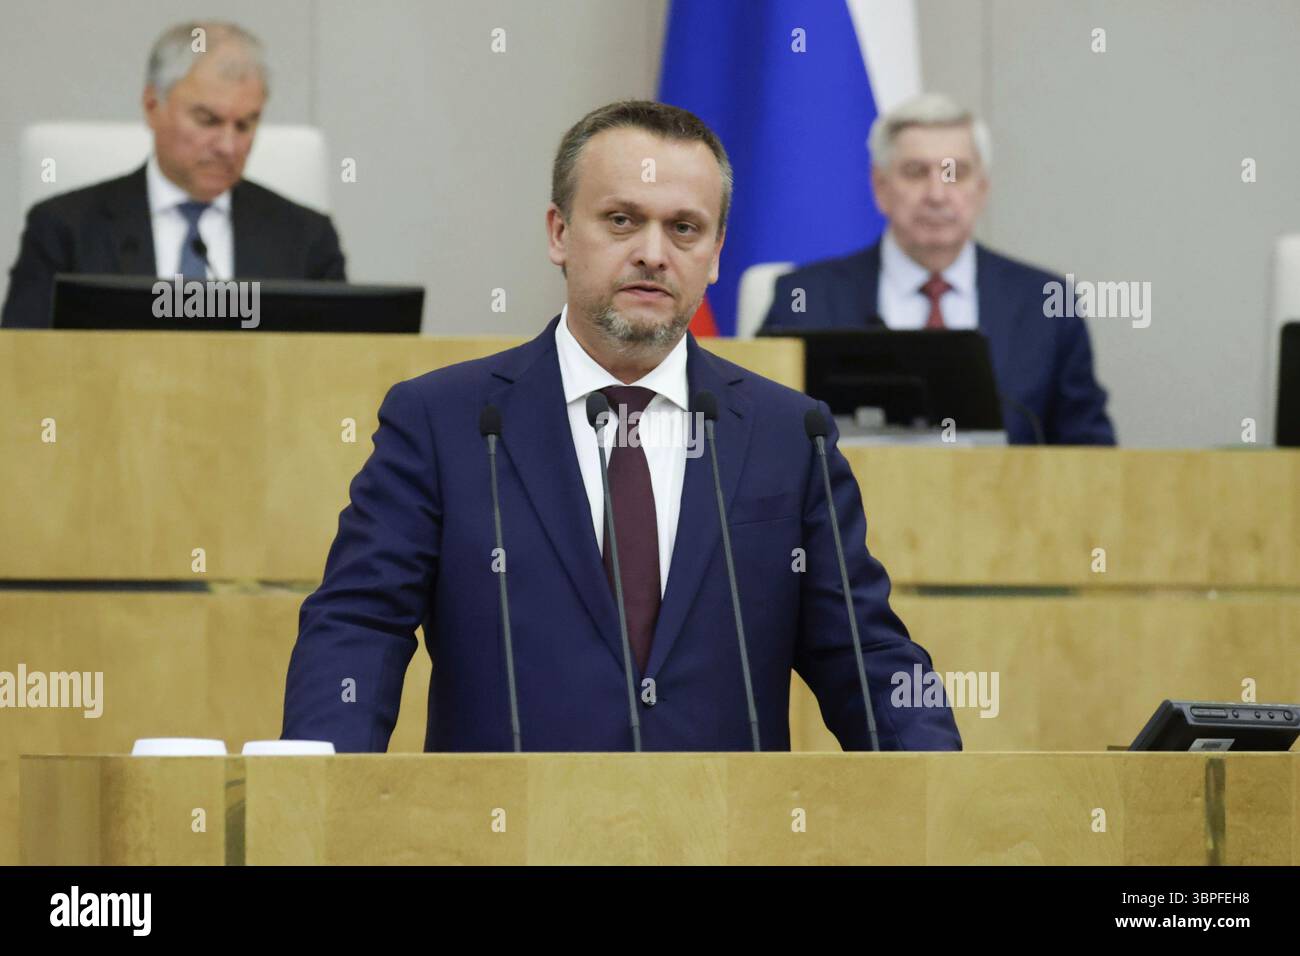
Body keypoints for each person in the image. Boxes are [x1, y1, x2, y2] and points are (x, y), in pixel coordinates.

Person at [281, 100, 960, 752]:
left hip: (721, 839)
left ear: (717, 253)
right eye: (621, 220)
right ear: (558, 233)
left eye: (684, 228)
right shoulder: (443, 422)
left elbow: (864, 651)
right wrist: (317, 797)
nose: (653, 253)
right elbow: (359, 626)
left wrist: (942, 799)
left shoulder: (790, 436)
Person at [762, 93, 1115, 445]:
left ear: (981, 189)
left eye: (955, 173)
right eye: (916, 173)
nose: (936, 194)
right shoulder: (805, 297)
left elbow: (1090, 454)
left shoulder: (1046, 304)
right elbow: (761, 435)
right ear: (880, 187)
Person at [1, 20, 345, 329]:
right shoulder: (65, 230)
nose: (228, 146)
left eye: (244, 124)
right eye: (207, 120)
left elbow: (342, 364)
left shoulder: (306, 238)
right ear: (153, 107)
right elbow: (21, 365)